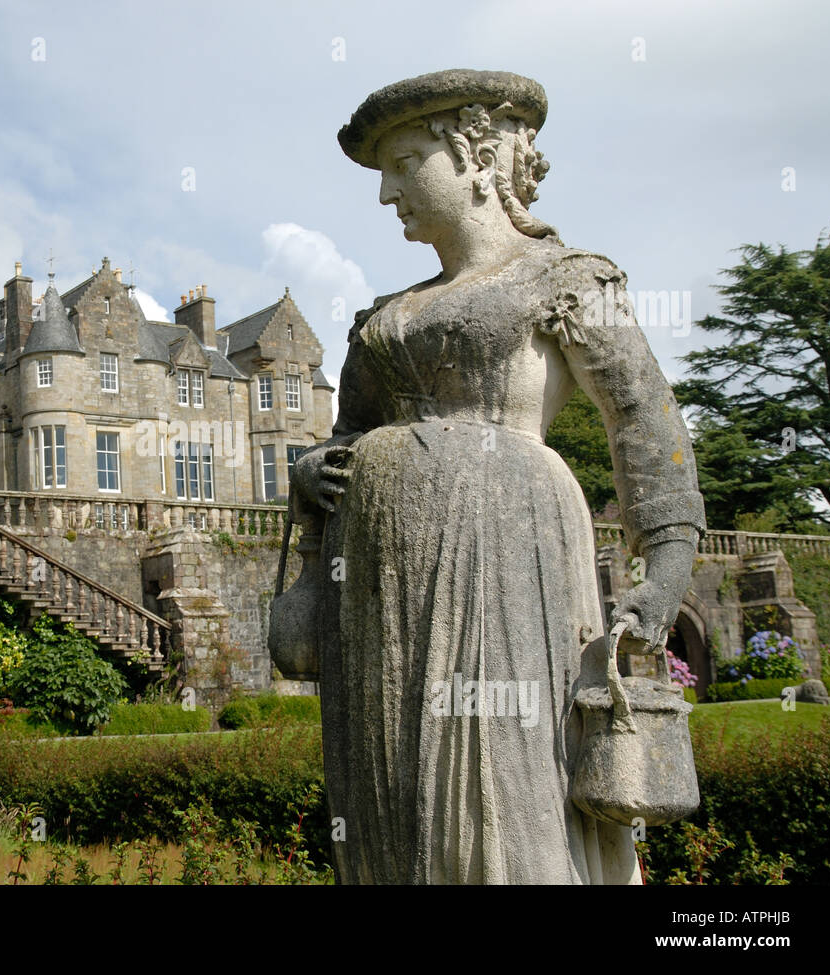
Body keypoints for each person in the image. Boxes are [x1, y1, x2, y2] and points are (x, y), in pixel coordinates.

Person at [287, 69, 706, 884]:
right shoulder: (381, 320)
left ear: (480, 155)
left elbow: (647, 429)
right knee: (391, 795)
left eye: (405, 162)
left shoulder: (568, 279)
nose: (386, 193)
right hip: (379, 591)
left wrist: (663, 578)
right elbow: (343, 441)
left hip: (509, 559)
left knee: (512, 788)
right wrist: (311, 476)